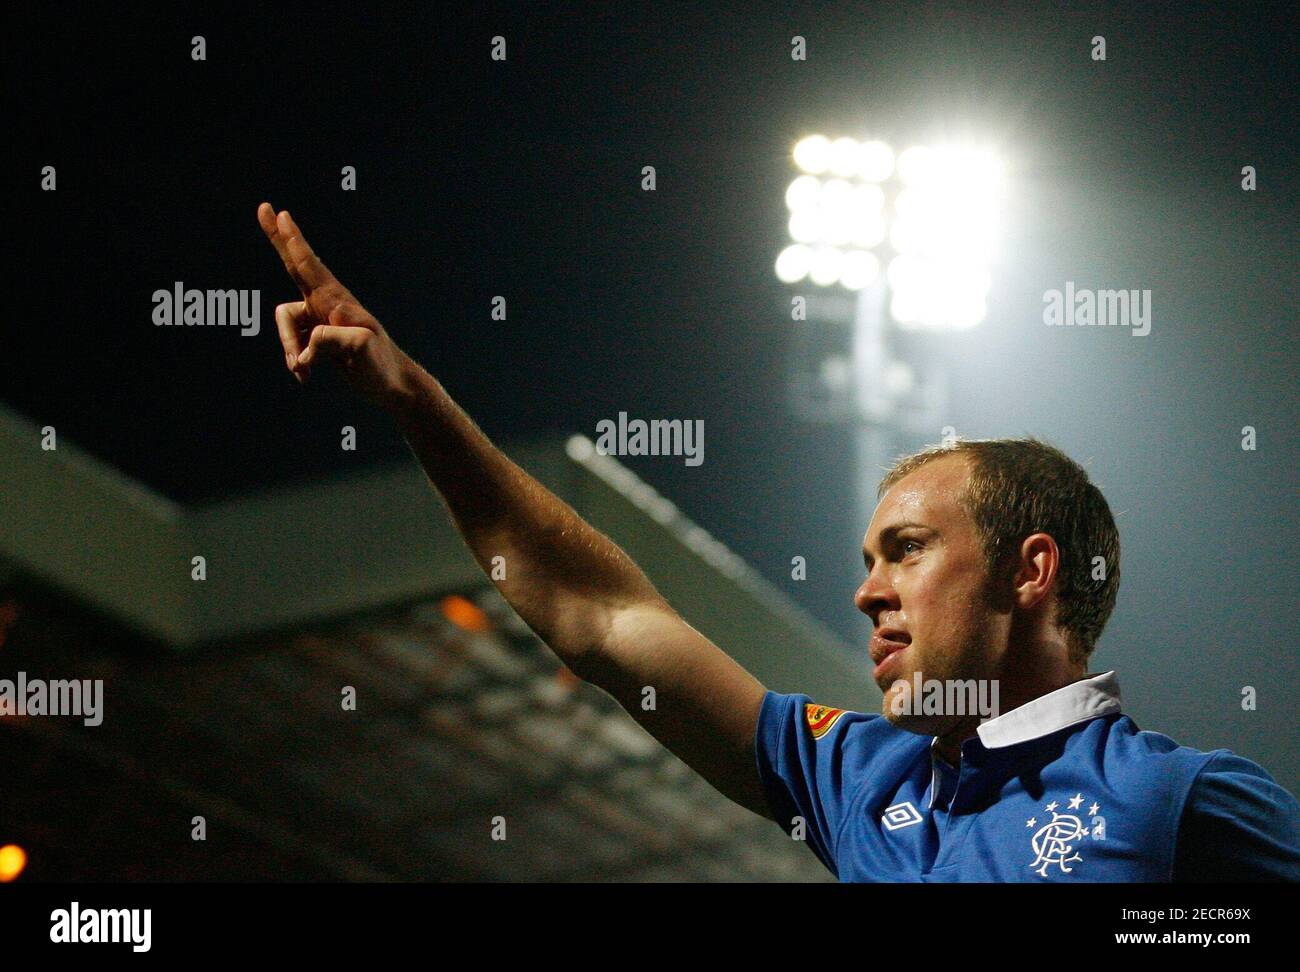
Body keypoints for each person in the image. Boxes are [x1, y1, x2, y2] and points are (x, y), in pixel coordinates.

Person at [257, 203, 1300, 882]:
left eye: (906, 551)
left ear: (1030, 572)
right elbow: (603, 618)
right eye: (864, 563)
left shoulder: (1175, 804)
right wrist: (411, 398)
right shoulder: (861, 778)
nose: (867, 593)